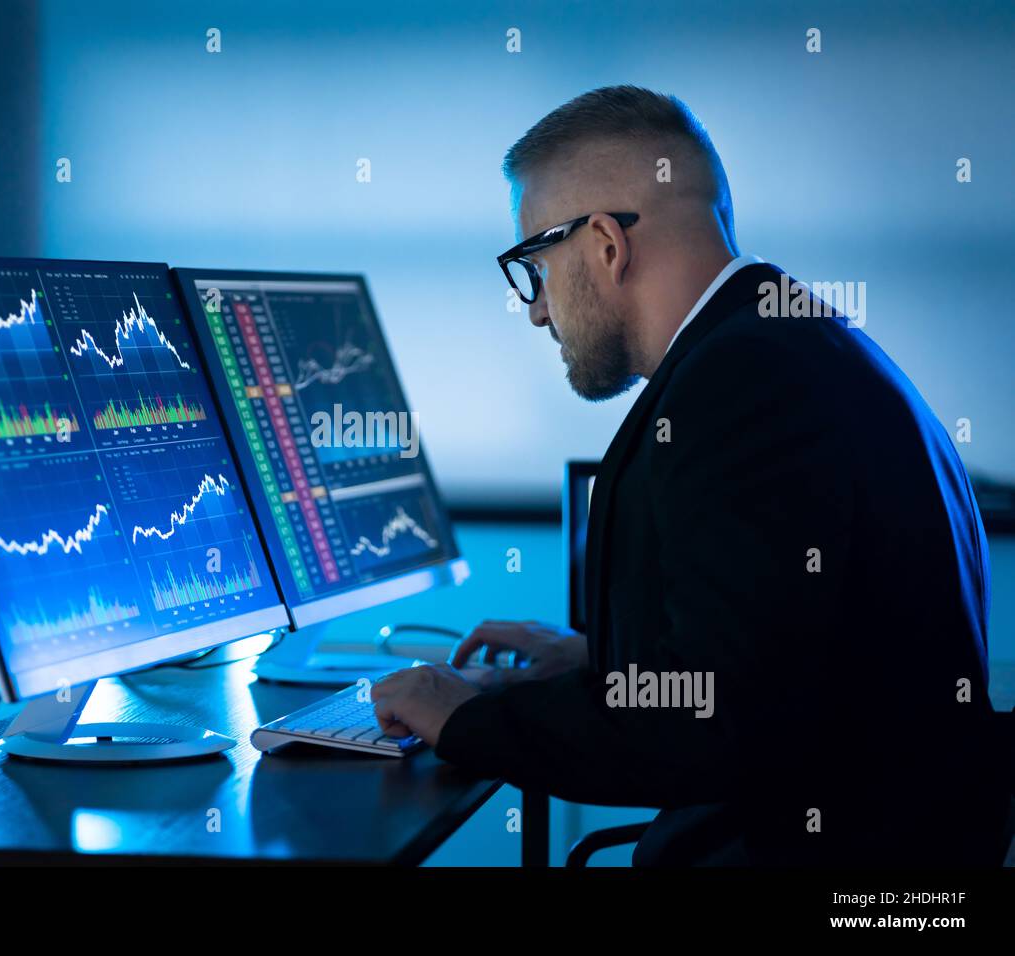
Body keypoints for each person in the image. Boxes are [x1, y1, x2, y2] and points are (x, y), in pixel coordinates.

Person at [370, 85, 1007, 865]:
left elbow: (717, 719)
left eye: (534, 266)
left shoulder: (746, 388)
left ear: (605, 243)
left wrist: (466, 720)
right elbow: (776, 658)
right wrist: (600, 664)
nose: (536, 312)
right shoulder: (792, 344)